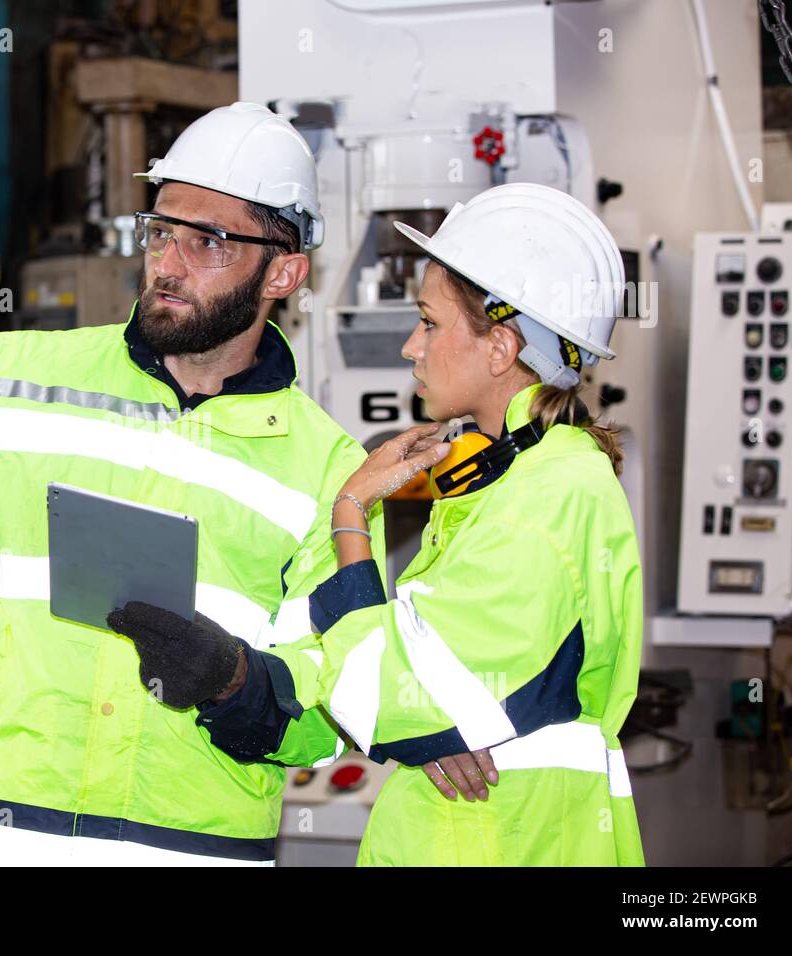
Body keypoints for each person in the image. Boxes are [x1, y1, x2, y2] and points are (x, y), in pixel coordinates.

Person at [0, 102, 393, 865]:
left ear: (284, 271)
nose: (167, 264)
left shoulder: (328, 471)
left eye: (207, 241)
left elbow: (328, 715)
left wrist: (234, 682)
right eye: (162, 231)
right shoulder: (16, 377)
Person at [111, 182, 646, 865]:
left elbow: (386, 698)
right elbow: (408, 693)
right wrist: (426, 718)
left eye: (428, 322)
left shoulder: (547, 495)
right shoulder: (518, 484)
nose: (409, 348)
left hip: (507, 842)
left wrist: (349, 514)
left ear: (500, 347)